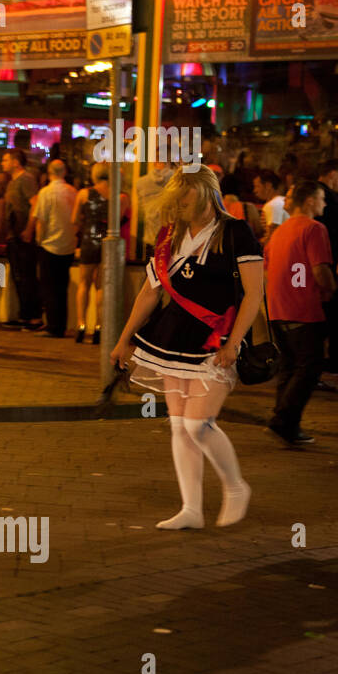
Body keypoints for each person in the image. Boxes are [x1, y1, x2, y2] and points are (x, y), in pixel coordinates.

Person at [112, 166, 264, 530]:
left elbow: (254, 294)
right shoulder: (169, 235)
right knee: (179, 425)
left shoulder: (235, 232)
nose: (178, 204)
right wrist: (123, 338)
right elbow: (151, 292)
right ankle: (191, 510)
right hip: (172, 338)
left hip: (217, 338)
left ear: (206, 194)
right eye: (176, 199)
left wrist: (235, 341)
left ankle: (236, 486)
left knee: (199, 424)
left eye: (185, 197)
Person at [264, 181, 335, 445]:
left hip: (277, 309)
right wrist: (331, 288)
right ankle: (283, 420)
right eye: (321, 198)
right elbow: (319, 270)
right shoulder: (315, 229)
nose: (325, 204)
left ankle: (286, 424)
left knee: (289, 367)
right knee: (309, 367)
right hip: (303, 310)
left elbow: (269, 270)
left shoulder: (279, 233)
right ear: (309, 201)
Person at [70, 162, 129, 345]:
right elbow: (117, 221)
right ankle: (98, 327)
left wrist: (85, 224)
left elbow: (74, 220)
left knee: (83, 284)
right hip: (107, 242)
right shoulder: (120, 197)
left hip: (88, 239)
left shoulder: (83, 194)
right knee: (101, 286)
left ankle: (81, 325)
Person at [27, 158, 78, 338]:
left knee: (49, 287)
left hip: (49, 244)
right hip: (68, 244)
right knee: (62, 286)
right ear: (64, 172)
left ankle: (53, 326)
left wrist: (39, 240)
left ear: (49, 173)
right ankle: (61, 324)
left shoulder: (46, 193)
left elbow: (41, 219)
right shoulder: (73, 192)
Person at [315, 158, 338, 376]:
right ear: (333, 174)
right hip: (325, 268)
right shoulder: (328, 197)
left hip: (315, 267)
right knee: (337, 315)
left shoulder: (317, 193)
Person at [1, 149, 40, 329]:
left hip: (23, 236)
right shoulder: (12, 182)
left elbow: (35, 204)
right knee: (19, 276)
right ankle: (25, 315)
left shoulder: (26, 179)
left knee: (26, 276)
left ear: (16, 162)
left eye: (5, 160)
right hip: (13, 235)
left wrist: (28, 229)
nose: (2, 163)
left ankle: (33, 317)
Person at [135, 156, 171, 252]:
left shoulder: (140, 182)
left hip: (150, 236)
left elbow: (141, 210)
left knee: (151, 265)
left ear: (154, 162)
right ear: (169, 163)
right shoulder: (177, 180)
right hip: (171, 235)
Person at [253, 170, 287, 244]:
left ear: (268, 185)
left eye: (257, 186)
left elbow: (273, 234)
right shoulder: (281, 201)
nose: (255, 190)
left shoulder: (273, 205)